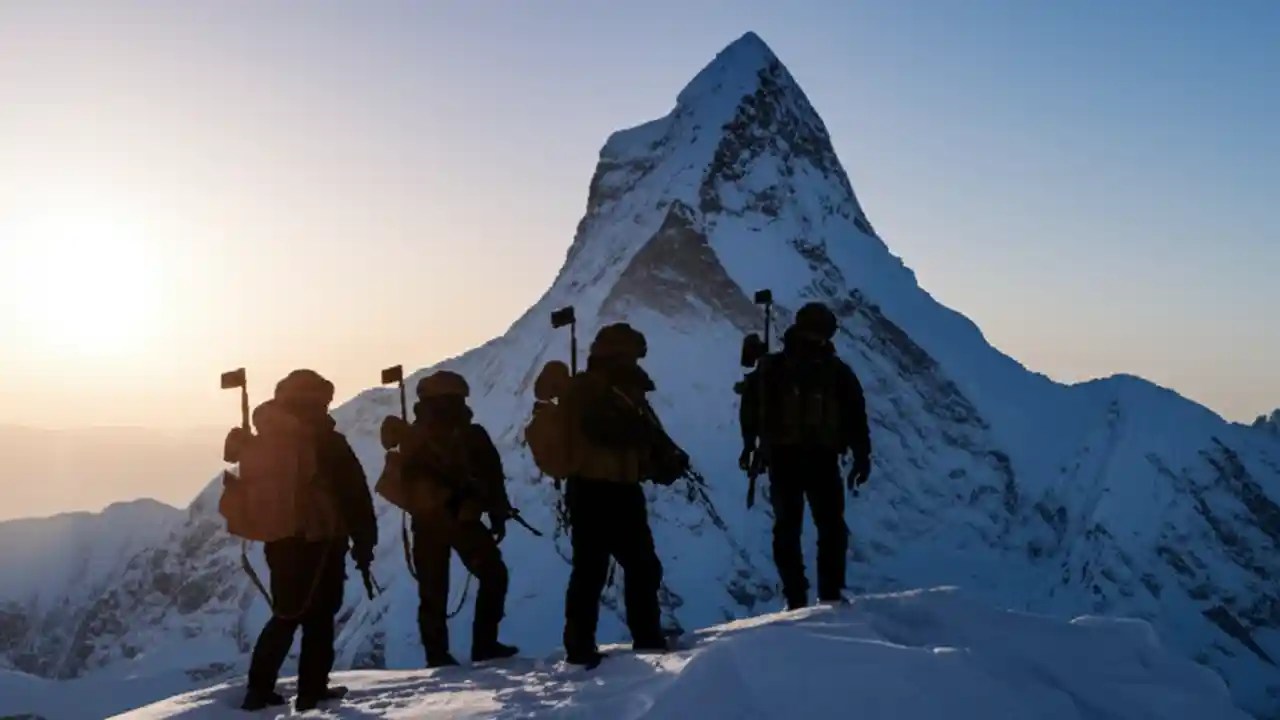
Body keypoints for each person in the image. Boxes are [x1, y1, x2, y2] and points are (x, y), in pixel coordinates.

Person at [241, 369, 378, 712]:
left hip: (280, 541)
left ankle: (258, 690)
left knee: (286, 613)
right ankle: (311, 691)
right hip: (322, 540)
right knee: (319, 617)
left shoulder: (267, 442)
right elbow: (354, 495)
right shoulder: (327, 442)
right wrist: (364, 540)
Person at [739, 302, 871, 610]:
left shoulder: (775, 367)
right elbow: (855, 417)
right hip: (808, 458)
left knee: (796, 528)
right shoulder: (833, 371)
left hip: (790, 458)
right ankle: (823, 594)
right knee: (823, 527)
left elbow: (750, 410)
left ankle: (802, 596)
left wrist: (749, 445)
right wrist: (862, 456)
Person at [561, 323, 674, 668]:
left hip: (613, 489)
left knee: (628, 567)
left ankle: (639, 637)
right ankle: (590, 646)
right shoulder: (590, 391)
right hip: (597, 489)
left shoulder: (622, 392)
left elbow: (647, 438)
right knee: (600, 570)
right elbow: (603, 431)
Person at [403, 370, 518, 668]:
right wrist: (497, 514)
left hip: (428, 523)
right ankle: (484, 644)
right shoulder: (471, 434)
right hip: (462, 522)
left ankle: (437, 654)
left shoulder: (413, 437)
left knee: (433, 590)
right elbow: (492, 477)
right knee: (493, 575)